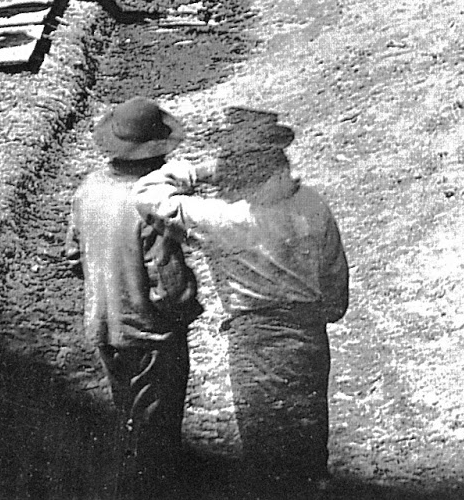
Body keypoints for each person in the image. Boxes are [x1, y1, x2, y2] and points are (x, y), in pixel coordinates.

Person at [132, 117, 349, 489]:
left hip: (255, 345)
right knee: (310, 444)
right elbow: (335, 285)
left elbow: (145, 194)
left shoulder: (223, 219)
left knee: (266, 454)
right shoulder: (312, 203)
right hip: (308, 342)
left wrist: (198, 171)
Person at [65, 97, 196, 492]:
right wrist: (186, 305)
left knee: (126, 412)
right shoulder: (149, 205)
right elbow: (168, 283)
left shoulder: (88, 189)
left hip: (105, 325)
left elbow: (73, 254)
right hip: (149, 334)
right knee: (156, 431)